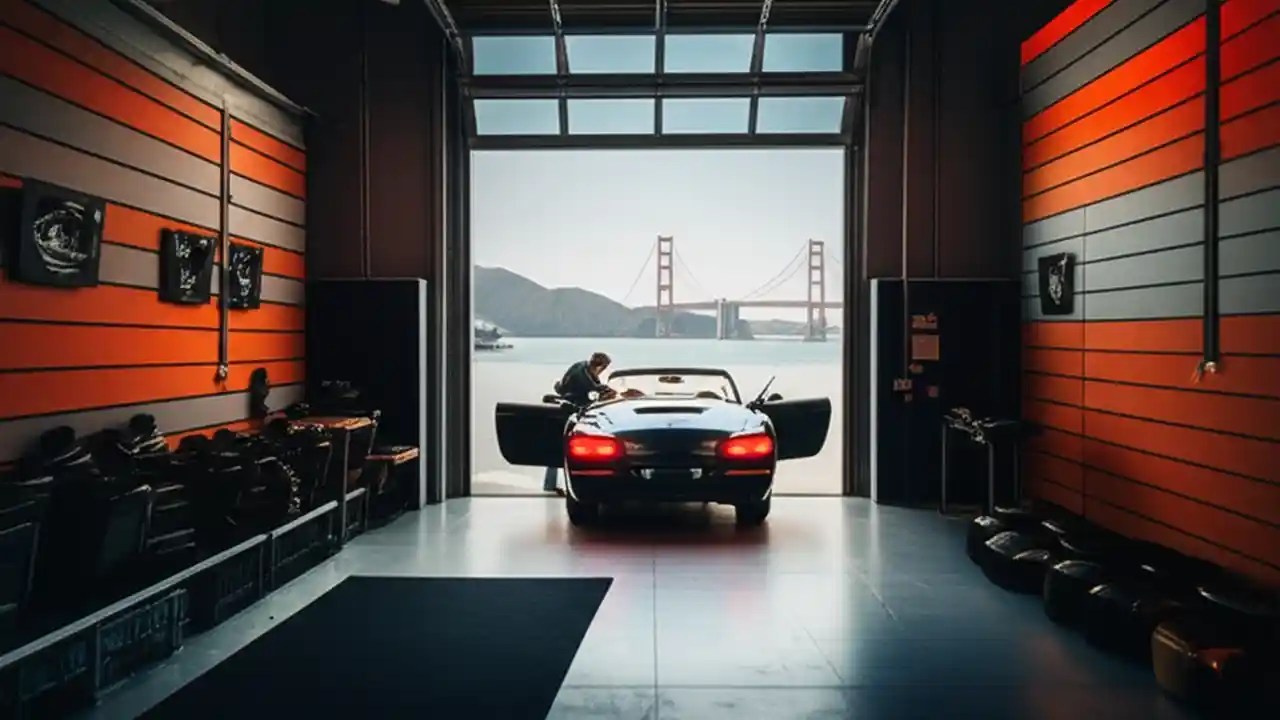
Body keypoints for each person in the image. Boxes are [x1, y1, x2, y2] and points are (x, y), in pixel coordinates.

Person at [544, 352, 613, 495]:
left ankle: (551, 485)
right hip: (569, 410)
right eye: (604, 368)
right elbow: (592, 386)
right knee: (565, 447)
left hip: (567, 406)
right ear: (599, 365)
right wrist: (607, 390)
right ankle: (566, 485)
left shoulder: (581, 367)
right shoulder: (583, 373)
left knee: (557, 446)